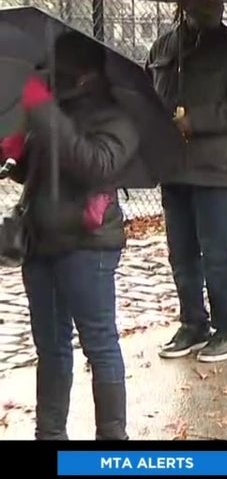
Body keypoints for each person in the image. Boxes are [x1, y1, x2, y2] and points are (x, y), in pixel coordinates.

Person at [2, 32, 141, 440]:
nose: (48, 76)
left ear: (83, 74)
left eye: (56, 69)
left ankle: (112, 441)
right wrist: (14, 147)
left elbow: (95, 165)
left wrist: (45, 114)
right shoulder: (52, 108)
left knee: (98, 344)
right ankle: (49, 435)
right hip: (40, 242)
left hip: (87, 247)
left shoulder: (118, 118)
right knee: (51, 348)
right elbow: (34, 170)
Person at [148, 0, 227, 363]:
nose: (213, 3)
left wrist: (196, 121)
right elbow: (146, 94)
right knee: (181, 254)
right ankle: (193, 324)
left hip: (216, 171)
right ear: (183, 0)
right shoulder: (164, 48)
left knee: (217, 255)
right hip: (173, 169)